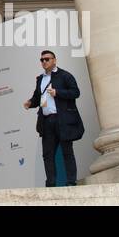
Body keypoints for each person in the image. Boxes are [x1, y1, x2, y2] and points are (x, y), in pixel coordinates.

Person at [23, 49, 84, 187]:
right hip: (46, 121)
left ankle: (71, 182)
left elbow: (76, 92)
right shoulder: (40, 79)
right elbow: (37, 97)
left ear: (54, 60)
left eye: (47, 59)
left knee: (67, 152)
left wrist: (58, 92)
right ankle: (50, 183)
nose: (44, 62)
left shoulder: (65, 76)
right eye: (42, 60)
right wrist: (30, 103)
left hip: (62, 120)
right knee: (47, 154)